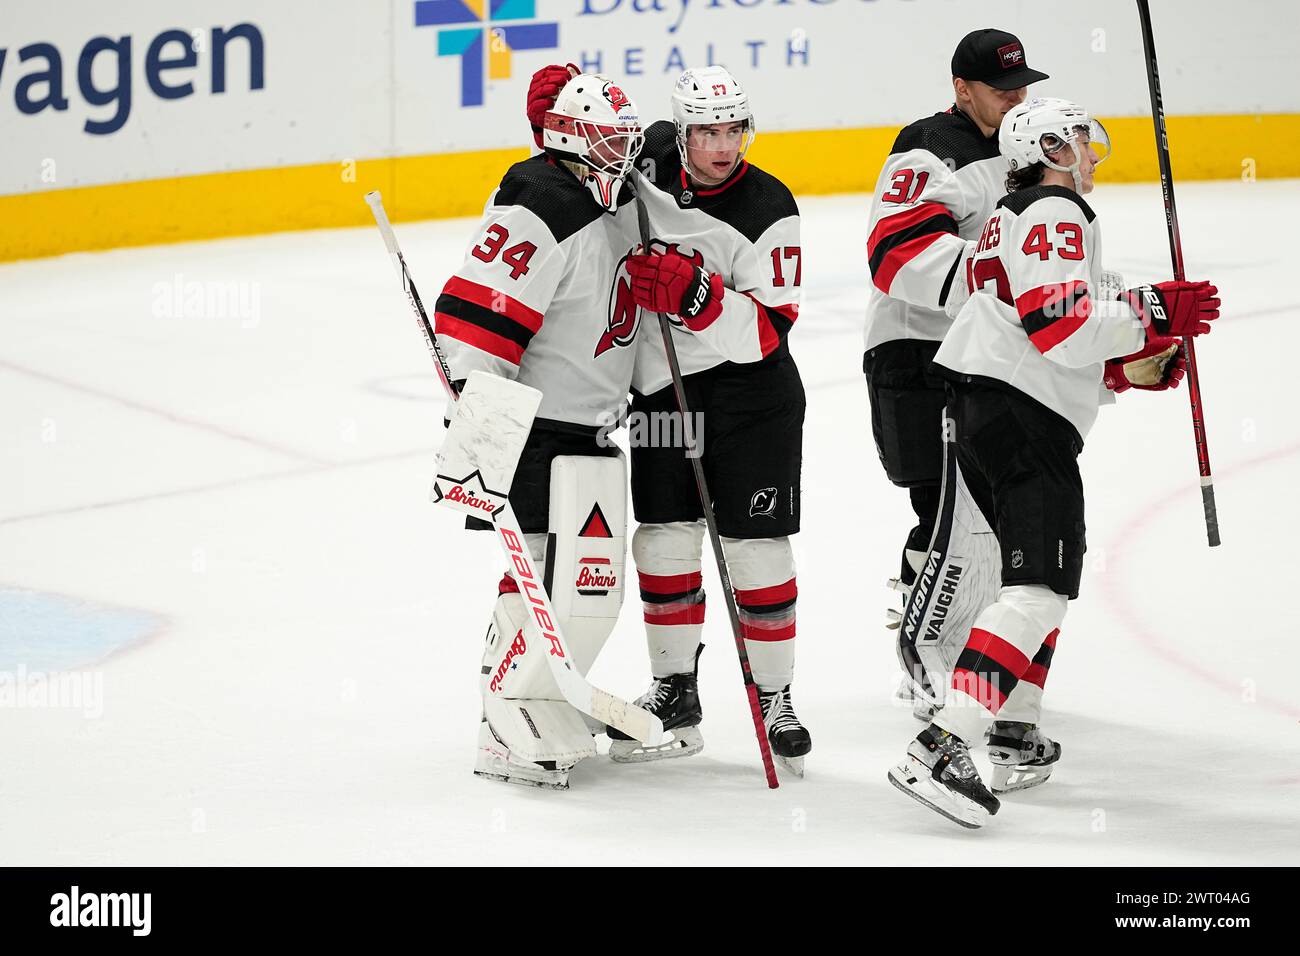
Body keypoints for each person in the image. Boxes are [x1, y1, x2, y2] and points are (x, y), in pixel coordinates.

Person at [887, 96, 1219, 828]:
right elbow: (1060, 326)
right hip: (1017, 416)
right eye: (1078, 140)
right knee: (1040, 589)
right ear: (1048, 147)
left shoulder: (1015, 215)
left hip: (987, 404)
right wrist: (1153, 314)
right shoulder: (1051, 210)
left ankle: (1002, 732)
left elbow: (1039, 333)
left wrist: (1126, 365)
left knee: (1023, 583)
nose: (1091, 152)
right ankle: (946, 745)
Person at [525, 64, 811, 774]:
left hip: (751, 400)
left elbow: (771, 330)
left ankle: (776, 698)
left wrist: (699, 298)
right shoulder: (643, 158)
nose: (723, 146)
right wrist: (551, 114)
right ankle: (675, 693)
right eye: (707, 131)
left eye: (734, 129)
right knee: (662, 544)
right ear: (680, 132)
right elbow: (584, 160)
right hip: (663, 395)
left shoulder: (771, 206)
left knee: (756, 552)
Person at [436, 72, 646, 789]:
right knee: (537, 568)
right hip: (533, 424)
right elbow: (476, 314)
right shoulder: (543, 201)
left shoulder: (606, 201)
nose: (626, 152)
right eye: (610, 140)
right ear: (569, 139)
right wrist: (476, 405)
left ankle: (551, 688)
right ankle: (504, 709)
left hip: (588, 426)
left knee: (589, 583)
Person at [862, 29, 1048, 716]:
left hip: (984, 358)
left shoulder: (1022, 149)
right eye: (1003, 89)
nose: (1016, 98)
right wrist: (1001, 277)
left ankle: (965, 656)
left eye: (1023, 86)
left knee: (991, 514)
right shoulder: (927, 147)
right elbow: (893, 255)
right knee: (945, 516)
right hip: (917, 355)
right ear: (962, 89)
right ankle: (929, 662)